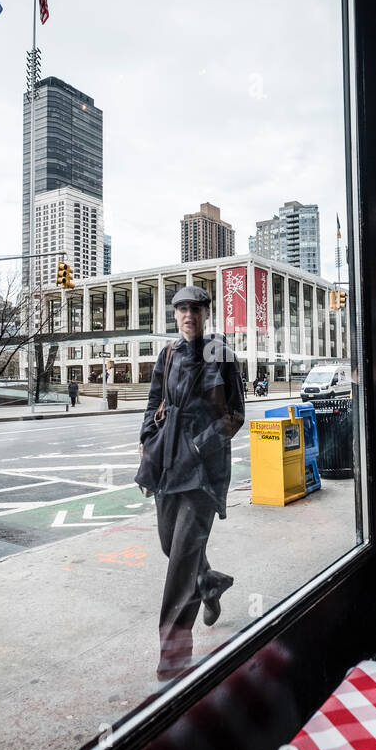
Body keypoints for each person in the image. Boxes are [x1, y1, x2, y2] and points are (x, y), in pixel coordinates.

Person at [138, 286, 246, 680]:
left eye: (196, 309)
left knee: (182, 560)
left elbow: (235, 413)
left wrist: (202, 446)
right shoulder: (168, 354)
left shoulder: (222, 354)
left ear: (206, 313)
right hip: (167, 463)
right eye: (182, 309)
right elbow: (153, 402)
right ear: (175, 315)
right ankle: (211, 582)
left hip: (203, 471)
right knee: (171, 545)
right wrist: (146, 439)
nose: (188, 315)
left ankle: (174, 657)